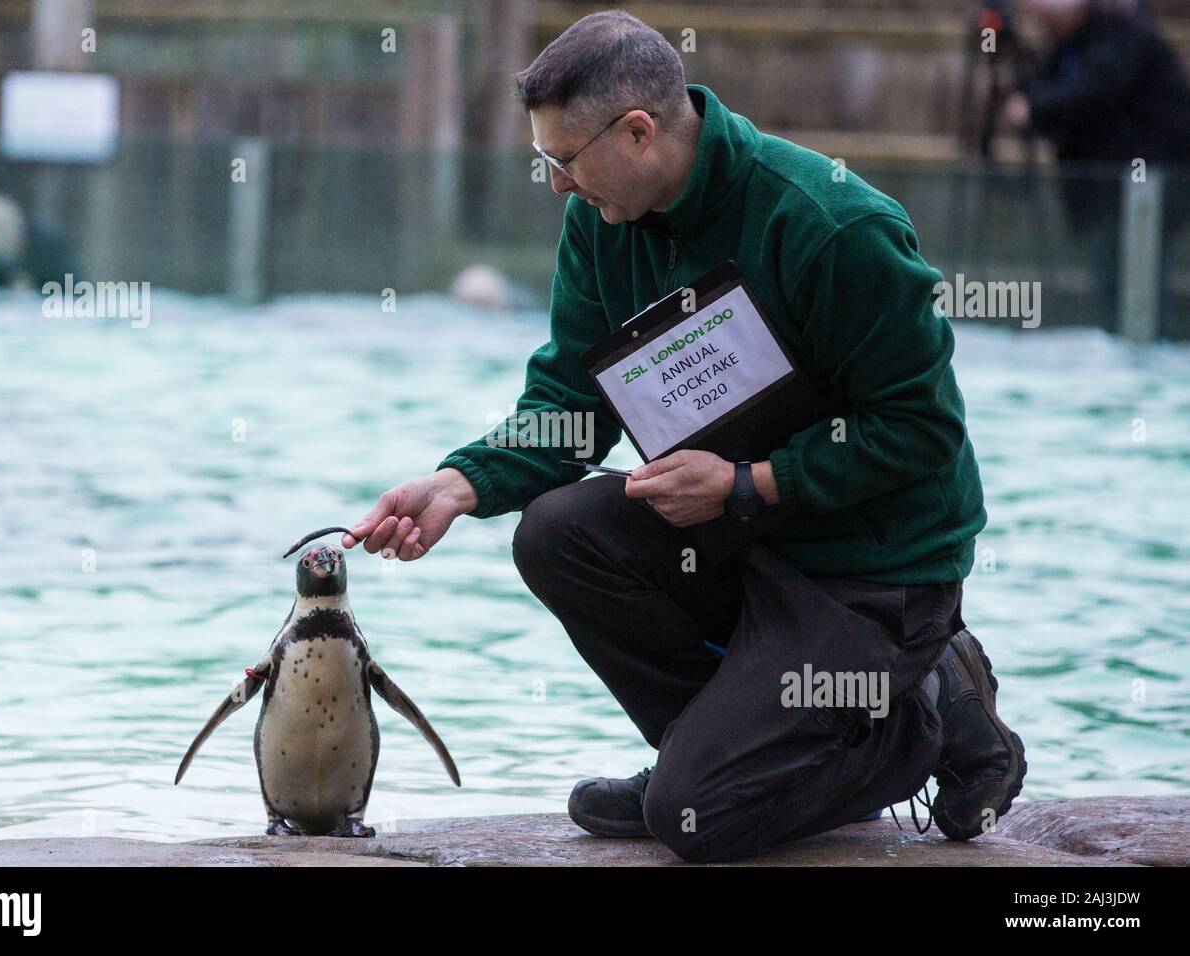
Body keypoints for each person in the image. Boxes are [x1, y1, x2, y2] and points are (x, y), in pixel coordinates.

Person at [339, 11, 1026, 862]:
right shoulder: (604, 218)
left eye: (564, 160)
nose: (554, 183)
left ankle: (927, 717)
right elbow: (572, 398)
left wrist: (753, 484)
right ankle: (715, 753)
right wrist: (456, 486)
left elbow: (920, 433)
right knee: (555, 533)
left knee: (702, 821)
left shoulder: (832, 225)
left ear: (638, 131)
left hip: (874, 572)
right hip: (736, 538)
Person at [1002, 0, 1190, 332]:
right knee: (1112, 294)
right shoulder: (1068, 45)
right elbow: (1048, 98)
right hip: (1099, 198)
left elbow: (1093, 91)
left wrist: (1033, 107)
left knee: (1142, 296)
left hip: (1146, 191)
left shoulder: (1122, 33)